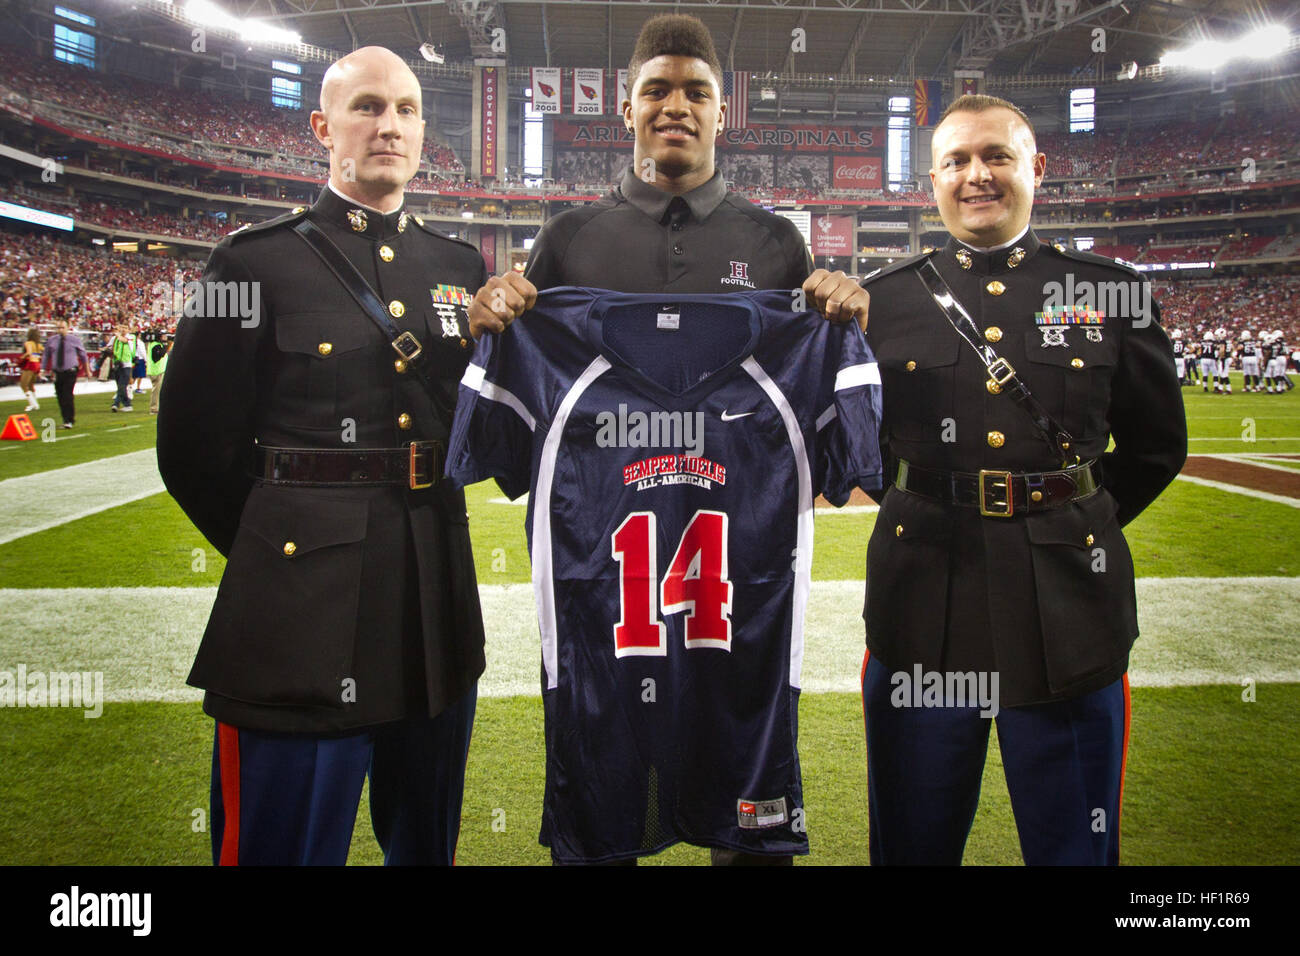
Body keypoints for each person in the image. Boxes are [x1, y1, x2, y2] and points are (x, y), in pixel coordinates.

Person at [466, 12, 869, 865]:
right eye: (657, 90)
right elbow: (511, 429)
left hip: (735, 590)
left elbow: (831, 428)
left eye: (697, 91)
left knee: (747, 814)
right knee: (603, 815)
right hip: (605, 594)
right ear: (627, 108)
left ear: (726, 112)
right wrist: (495, 319)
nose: (675, 105)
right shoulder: (570, 239)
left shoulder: (776, 242)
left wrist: (839, 311)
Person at [158, 46, 496, 866]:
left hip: (433, 600)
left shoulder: (458, 267)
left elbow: (473, 425)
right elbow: (192, 450)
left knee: (427, 848)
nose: (391, 126)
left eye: (408, 110)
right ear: (322, 128)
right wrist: (288, 546)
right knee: (284, 850)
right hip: (298, 614)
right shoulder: (254, 261)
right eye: (369, 107)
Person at [856, 94, 1187, 865]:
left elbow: (1154, 447)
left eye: (997, 156)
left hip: (1070, 613)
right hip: (922, 608)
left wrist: (1067, 521)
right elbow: (860, 449)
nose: (978, 176)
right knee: (911, 845)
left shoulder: (1111, 291)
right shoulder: (883, 299)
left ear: (1036, 168)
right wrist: (928, 506)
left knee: (1076, 848)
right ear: (930, 180)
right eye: (957, 161)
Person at [40, 319, 89, 428]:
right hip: (58, 372)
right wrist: (42, 369)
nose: (60, 330)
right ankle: (66, 418)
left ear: (68, 327)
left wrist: (87, 370)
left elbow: (83, 355)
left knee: (67, 394)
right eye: (58, 328)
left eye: (62, 327)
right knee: (60, 395)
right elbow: (46, 356)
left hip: (70, 371)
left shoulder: (74, 340)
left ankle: (69, 420)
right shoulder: (51, 340)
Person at [107, 320, 135, 411]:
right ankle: (127, 405)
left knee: (122, 385)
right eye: (122, 327)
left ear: (128, 330)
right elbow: (109, 347)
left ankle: (116, 404)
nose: (123, 329)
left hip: (126, 364)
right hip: (117, 364)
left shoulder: (131, 337)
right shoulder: (115, 338)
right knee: (120, 385)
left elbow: (124, 340)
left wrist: (117, 335)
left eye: (125, 328)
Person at [144, 331, 169, 414]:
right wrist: (165, 346)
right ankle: (154, 408)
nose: (166, 337)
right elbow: (158, 357)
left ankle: (157, 407)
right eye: (164, 336)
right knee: (156, 391)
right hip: (156, 371)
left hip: (158, 370)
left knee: (159, 391)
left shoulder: (154, 345)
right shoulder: (156, 346)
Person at [19, 326, 41, 411]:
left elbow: (28, 353)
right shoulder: (38, 344)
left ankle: (33, 404)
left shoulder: (28, 343)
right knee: (30, 385)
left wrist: (22, 357)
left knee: (23, 385)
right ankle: (35, 404)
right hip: (36, 364)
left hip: (30, 365)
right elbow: (38, 354)